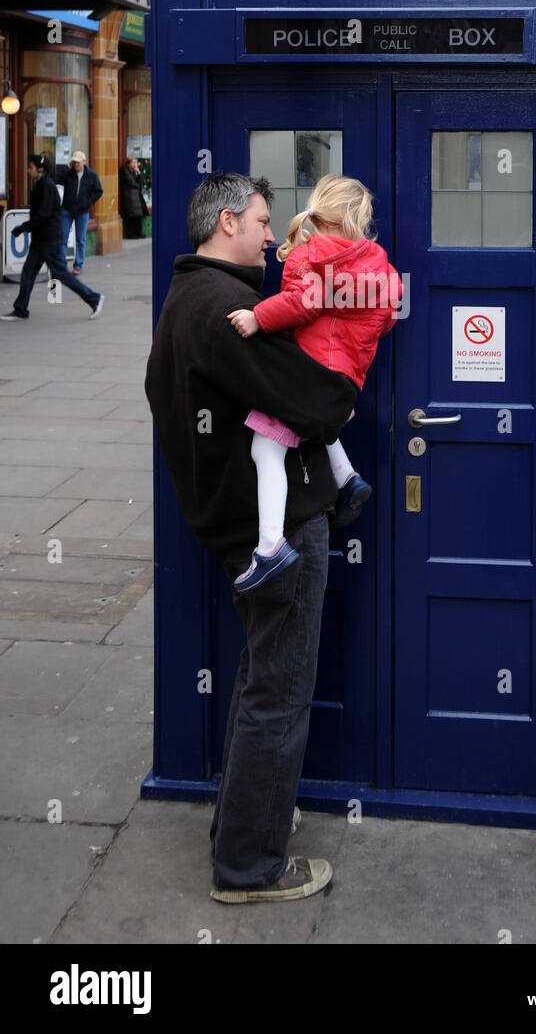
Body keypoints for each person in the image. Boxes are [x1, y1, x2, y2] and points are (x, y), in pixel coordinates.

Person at [144, 173, 357, 904]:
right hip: (281, 537)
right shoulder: (228, 307)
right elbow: (313, 399)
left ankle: (246, 821)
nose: (273, 235)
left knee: (259, 678)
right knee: (280, 693)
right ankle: (249, 866)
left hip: (237, 529)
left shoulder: (183, 300)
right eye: (264, 221)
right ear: (229, 220)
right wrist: (346, 385)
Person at [228, 173, 401, 593]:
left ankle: (270, 547)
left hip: (312, 375)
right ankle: (346, 477)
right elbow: (390, 309)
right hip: (344, 379)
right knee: (316, 421)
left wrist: (257, 317)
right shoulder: (377, 262)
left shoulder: (313, 254)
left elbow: (302, 303)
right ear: (358, 218)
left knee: (265, 447)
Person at [0, 154, 104, 322]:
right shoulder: (43, 183)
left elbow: (44, 214)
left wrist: (23, 228)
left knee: (60, 273)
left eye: (30, 167)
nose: (28, 170)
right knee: (28, 272)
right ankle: (20, 309)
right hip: (41, 239)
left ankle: (93, 298)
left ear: (39, 169)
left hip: (49, 240)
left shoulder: (46, 186)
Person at [55, 149, 103, 273]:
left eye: (78, 162)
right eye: (74, 162)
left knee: (81, 239)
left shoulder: (91, 175)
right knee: (63, 237)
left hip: (82, 211)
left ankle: (78, 266)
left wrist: (88, 202)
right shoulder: (68, 173)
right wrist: (66, 168)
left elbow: (98, 191)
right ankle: (61, 265)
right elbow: (55, 180)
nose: (76, 165)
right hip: (67, 210)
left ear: (84, 162)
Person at [119, 158, 147, 238]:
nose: (135, 165)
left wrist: (139, 174)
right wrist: (137, 185)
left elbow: (140, 184)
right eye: (133, 163)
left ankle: (138, 232)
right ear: (128, 163)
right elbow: (132, 182)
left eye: (136, 163)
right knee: (131, 216)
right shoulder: (125, 170)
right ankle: (131, 233)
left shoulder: (134, 172)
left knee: (138, 216)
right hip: (129, 196)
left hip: (136, 196)